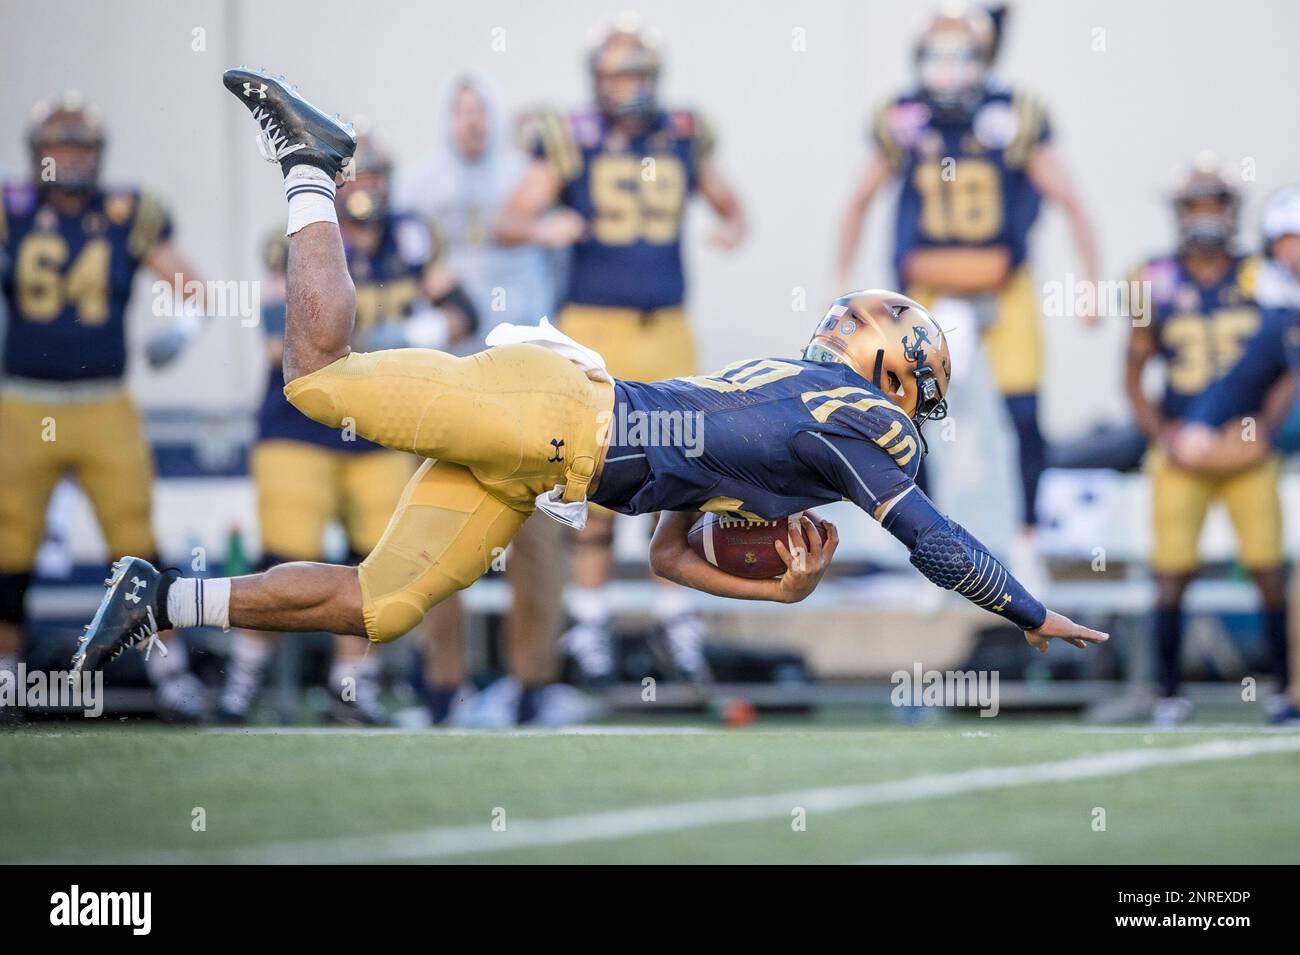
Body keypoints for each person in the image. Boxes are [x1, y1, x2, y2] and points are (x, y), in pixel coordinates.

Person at [73, 68, 1107, 676]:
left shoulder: (785, 419)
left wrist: (779, 592)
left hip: (551, 456)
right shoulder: (855, 421)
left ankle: (162, 600)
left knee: (381, 605)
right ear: (895, 379)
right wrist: (1027, 608)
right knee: (311, 377)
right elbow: (932, 538)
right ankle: (312, 166)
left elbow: (666, 556)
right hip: (553, 416)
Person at [494, 15, 747, 686]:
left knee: (686, 466)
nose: (626, 87)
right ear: (596, 80)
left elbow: (731, 204)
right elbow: (508, 218)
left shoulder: (682, 133)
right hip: (594, 326)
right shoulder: (572, 138)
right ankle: (591, 623)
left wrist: (731, 225)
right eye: (615, 75)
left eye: (634, 74)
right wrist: (544, 226)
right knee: (595, 470)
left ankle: (676, 619)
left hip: (667, 325)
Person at [216, 130, 478, 724]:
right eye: (358, 176)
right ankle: (242, 683)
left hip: (378, 432)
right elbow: (275, 339)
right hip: (299, 428)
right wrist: (358, 342)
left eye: (376, 176)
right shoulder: (307, 235)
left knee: (375, 563)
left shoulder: (410, 237)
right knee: (285, 556)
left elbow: (466, 308)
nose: (368, 188)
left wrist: (422, 332)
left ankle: (351, 689)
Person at [835, 3, 1099, 587]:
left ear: (984, 58)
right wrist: (843, 280)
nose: (950, 70)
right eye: (939, 56)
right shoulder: (904, 118)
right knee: (910, 419)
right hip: (928, 288)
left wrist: (1089, 284)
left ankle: (1027, 539)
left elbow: (1070, 199)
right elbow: (858, 200)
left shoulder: (1013, 114)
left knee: (1024, 416)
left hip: (1003, 285)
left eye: (962, 56)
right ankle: (926, 543)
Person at [0, 93, 208, 720]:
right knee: (9, 545)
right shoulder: (12, 208)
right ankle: (5, 675)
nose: (70, 159)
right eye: (59, 147)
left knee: (135, 542)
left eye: (80, 147)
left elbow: (193, 289)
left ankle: (170, 672)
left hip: (104, 404)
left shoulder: (127, 211)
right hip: (23, 403)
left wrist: (184, 329)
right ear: (37, 153)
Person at [399, 78, 568, 724]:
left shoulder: (524, 176)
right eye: (462, 111)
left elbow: (561, 260)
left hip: (525, 376)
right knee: (435, 533)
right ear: (449, 117)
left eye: (481, 111)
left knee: (536, 536)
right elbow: (399, 261)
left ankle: (533, 685)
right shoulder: (419, 184)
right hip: (448, 376)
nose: (472, 122)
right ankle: (444, 687)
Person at [1170, 183, 1300, 725]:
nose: (1293, 251)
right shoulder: (1282, 310)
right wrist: (1200, 425)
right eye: (1286, 240)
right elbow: (1247, 374)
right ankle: (1294, 695)